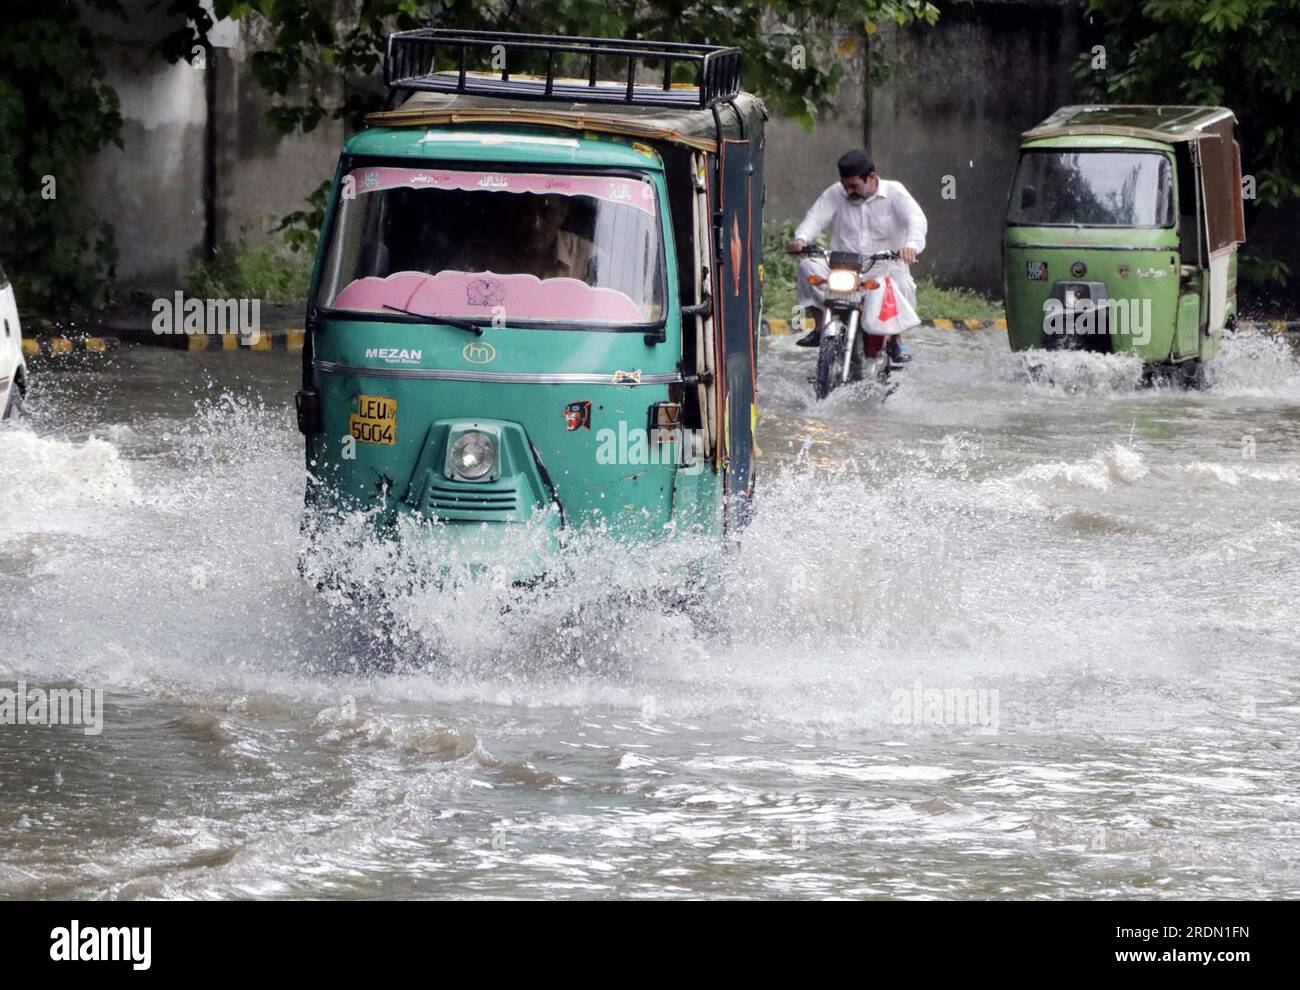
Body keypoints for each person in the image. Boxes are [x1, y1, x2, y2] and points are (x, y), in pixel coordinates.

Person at [785, 150, 927, 360]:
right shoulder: (836, 193)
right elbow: (815, 217)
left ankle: (896, 340)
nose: (848, 191)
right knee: (808, 266)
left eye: (854, 186)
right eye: (845, 186)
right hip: (844, 267)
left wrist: (911, 246)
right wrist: (801, 238)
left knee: (902, 281)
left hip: (883, 267)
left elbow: (916, 219)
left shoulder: (895, 192)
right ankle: (819, 328)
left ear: (871, 177)